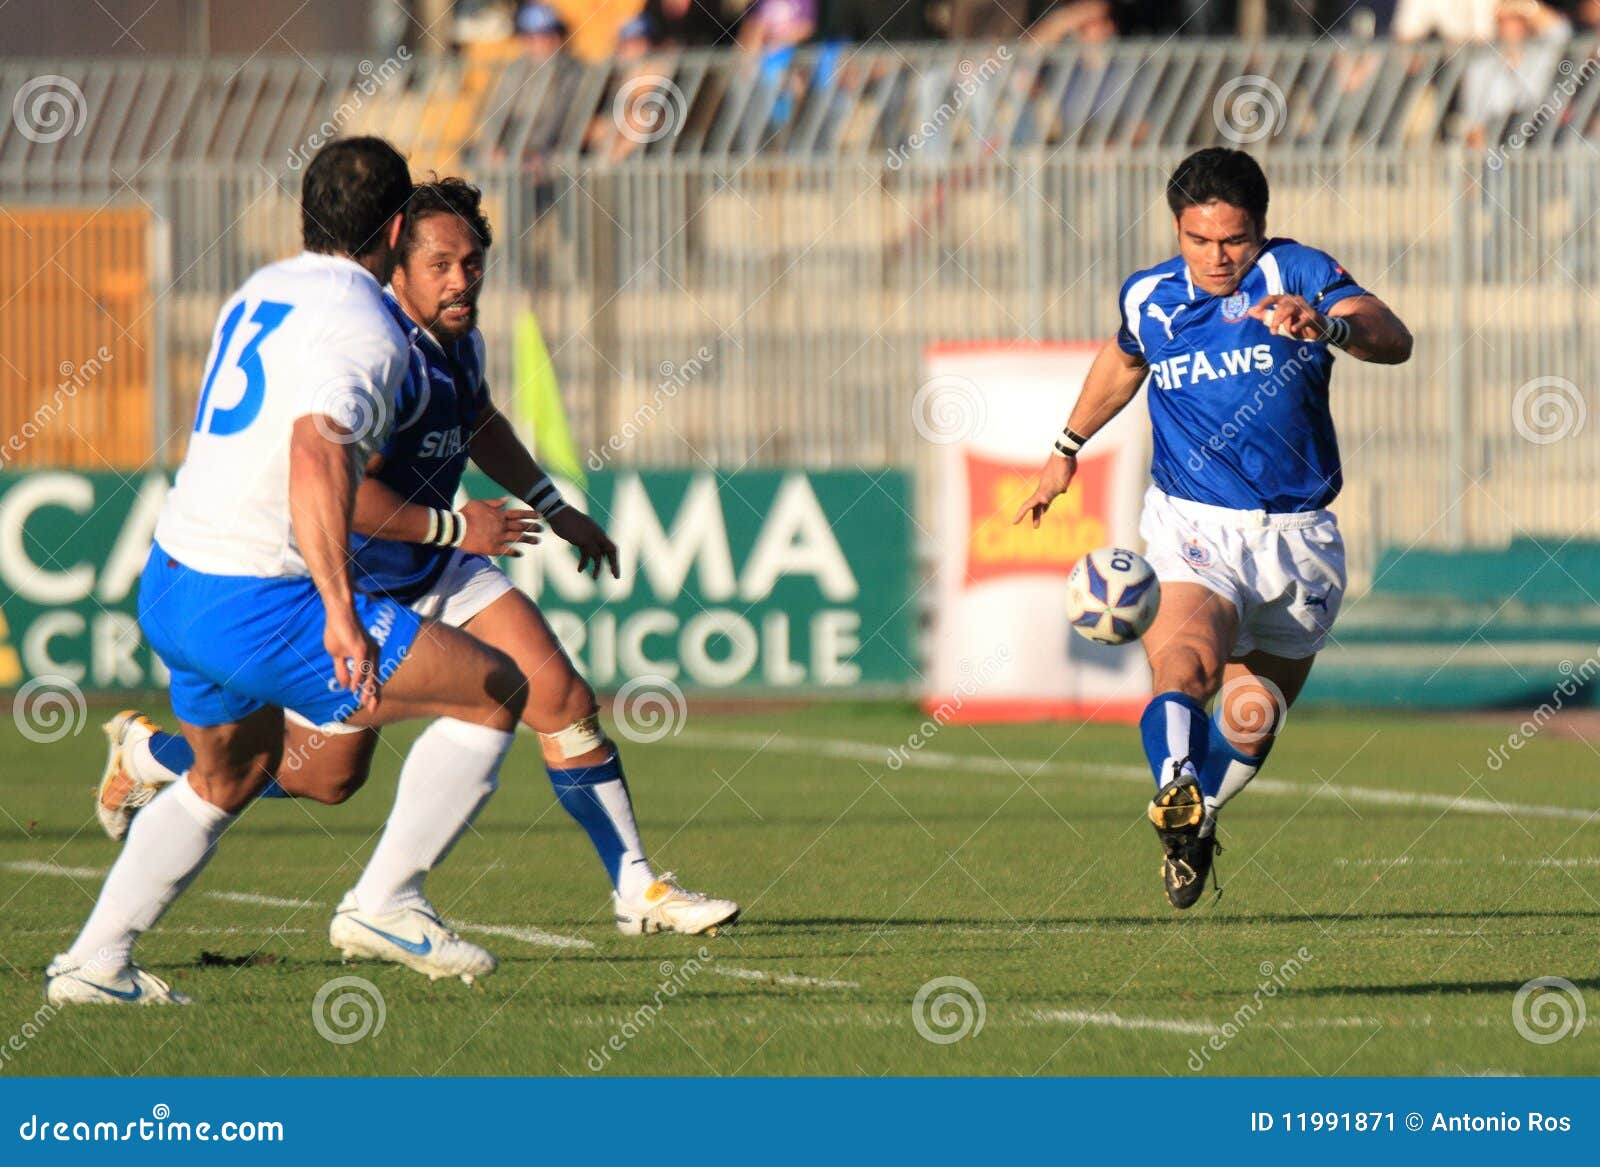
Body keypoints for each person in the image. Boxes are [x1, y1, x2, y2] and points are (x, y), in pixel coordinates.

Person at [97, 178, 740, 940]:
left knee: (561, 696)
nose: (460, 279)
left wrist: (556, 506)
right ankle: (154, 755)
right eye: (440, 264)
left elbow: (480, 418)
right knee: (326, 777)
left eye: (472, 263)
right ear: (394, 265)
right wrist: (452, 527)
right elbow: (342, 493)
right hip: (352, 579)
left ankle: (638, 885)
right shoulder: (374, 350)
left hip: (438, 569)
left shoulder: (460, 337)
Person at [49, 139, 534, 1006]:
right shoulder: (368, 329)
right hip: (256, 596)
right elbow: (317, 454)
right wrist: (342, 612)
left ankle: (96, 962)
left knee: (230, 774)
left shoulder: (265, 288)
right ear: (395, 228)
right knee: (494, 688)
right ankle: (387, 900)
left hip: (173, 578)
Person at [1013, 148, 1412, 909]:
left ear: (1260, 230)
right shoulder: (1151, 296)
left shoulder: (1297, 271)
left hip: (1300, 538)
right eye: (1199, 240)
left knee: (1252, 720)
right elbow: (1124, 361)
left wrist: (1328, 325)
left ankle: (1192, 824)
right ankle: (1174, 781)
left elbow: (1392, 336)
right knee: (1189, 662)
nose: (1217, 257)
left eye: (1233, 240)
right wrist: (1065, 449)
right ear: (1177, 229)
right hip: (1193, 523)